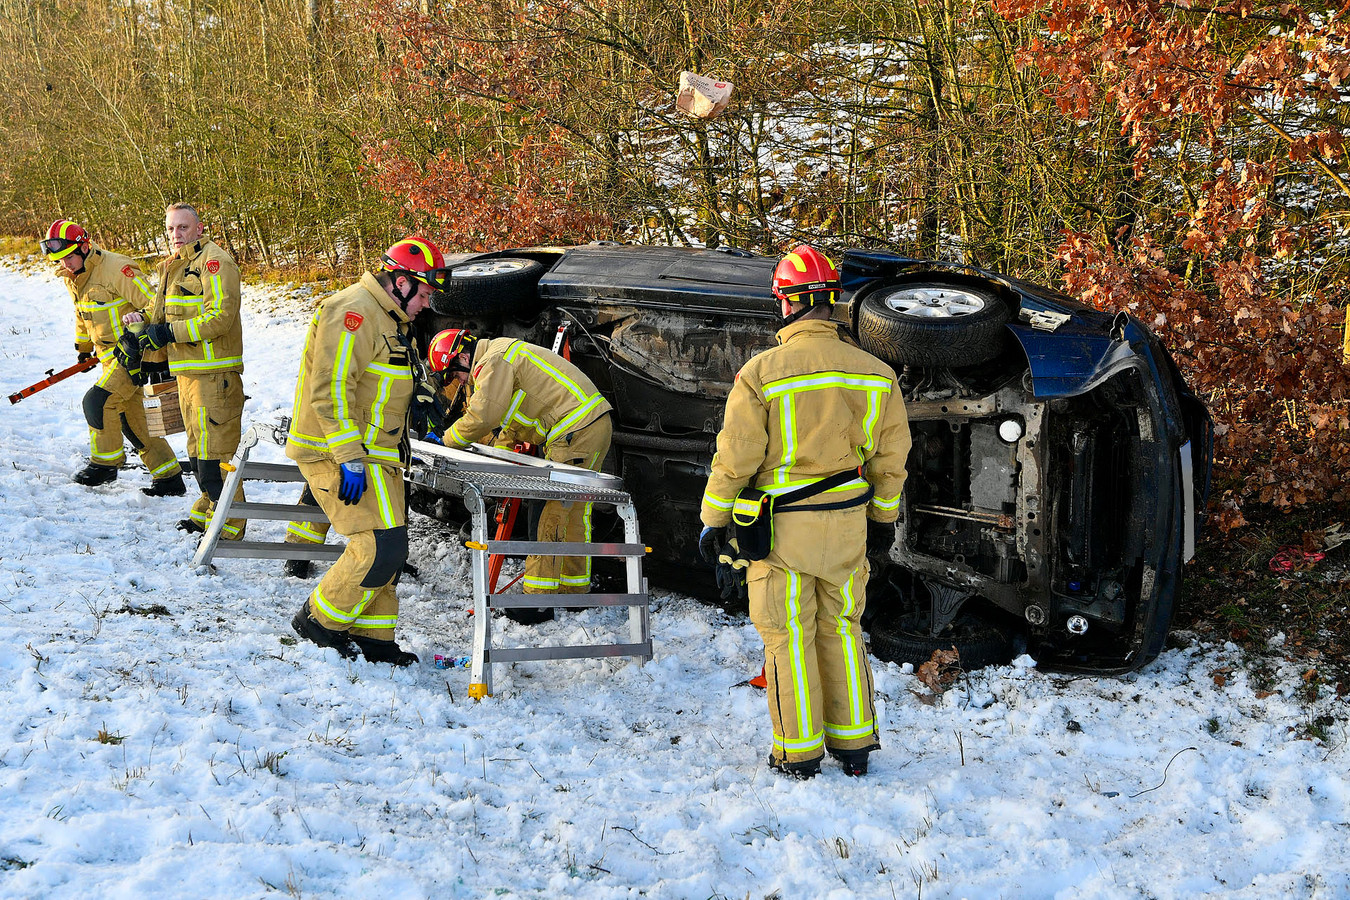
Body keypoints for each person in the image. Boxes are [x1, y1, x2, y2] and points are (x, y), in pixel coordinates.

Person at [699, 245, 910, 779]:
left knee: (788, 637)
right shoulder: (877, 374)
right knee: (841, 628)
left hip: (780, 532)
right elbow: (891, 459)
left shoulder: (760, 373)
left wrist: (714, 518)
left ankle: (798, 753)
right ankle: (855, 746)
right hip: (846, 526)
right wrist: (883, 520)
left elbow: (737, 455)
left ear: (785, 304)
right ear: (832, 301)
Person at [285, 237, 447, 666]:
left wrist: (424, 396)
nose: (427, 304)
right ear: (401, 282)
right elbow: (331, 389)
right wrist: (349, 456)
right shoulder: (353, 311)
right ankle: (319, 622)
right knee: (375, 545)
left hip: (380, 452)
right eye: (425, 294)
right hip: (340, 451)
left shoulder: (391, 318)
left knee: (393, 550)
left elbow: (382, 380)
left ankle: (374, 638)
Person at [427, 328, 613, 610]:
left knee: (550, 510)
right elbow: (507, 427)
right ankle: (574, 590)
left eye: (454, 374)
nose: (458, 381)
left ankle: (537, 600)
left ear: (463, 357)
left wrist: (445, 441)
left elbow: (483, 416)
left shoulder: (493, 361)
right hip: (590, 426)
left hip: (574, 431)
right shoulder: (502, 356)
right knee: (573, 511)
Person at [124, 203, 246, 538]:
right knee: (198, 454)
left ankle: (230, 526)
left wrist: (168, 334)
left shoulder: (214, 262)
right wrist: (142, 323)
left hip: (214, 377)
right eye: (170, 229)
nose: (175, 235)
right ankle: (207, 512)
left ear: (199, 228)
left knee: (215, 458)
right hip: (188, 376)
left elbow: (220, 318)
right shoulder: (176, 266)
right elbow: (161, 313)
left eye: (182, 228)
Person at [42, 219, 186, 494]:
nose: (66, 264)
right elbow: (82, 314)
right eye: (61, 260)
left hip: (136, 354)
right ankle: (169, 478)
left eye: (70, 257)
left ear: (84, 247)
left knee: (98, 401)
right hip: (108, 356)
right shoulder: (74, 276)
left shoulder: (117, 269)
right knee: (133, 419)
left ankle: (104, 466)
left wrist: (139, 324)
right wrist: (83, 349)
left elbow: (156, 305)